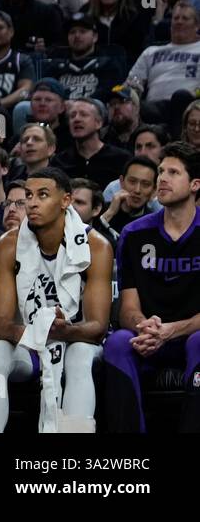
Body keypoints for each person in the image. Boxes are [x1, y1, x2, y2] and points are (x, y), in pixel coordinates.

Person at [0, 168, 113, 432]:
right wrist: (39, 331)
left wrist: (66, 330)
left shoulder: (96, 246)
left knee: (79, 356)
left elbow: (97, 327)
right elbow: (0, 325)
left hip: (78, 341)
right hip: (29, 342)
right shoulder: (8, 245)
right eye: (28, 195)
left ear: (65, 201)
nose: (33, 202)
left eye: (43, 195)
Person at [104, 142, 200, 432]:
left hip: (192, 336)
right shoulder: (134, 234)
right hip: (149, 338)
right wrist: (144, 327)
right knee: (119, 341)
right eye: (161, 171)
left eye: (173, 172)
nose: (162, 179)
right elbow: (128, 308)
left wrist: (172, 330)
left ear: (195, 184)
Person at [128, 3, 200, 131]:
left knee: (180, 97)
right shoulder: (151, 52)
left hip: (190, 104)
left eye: (185, 18)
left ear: (197, 26)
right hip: (153, 108)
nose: (179, 22)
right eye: (176, 18)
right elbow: (133, 83)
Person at [54, 98, 132, 188]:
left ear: (98, 123)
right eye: (72, 116)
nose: (76, 119)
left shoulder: (121, 159)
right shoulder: (60, 162)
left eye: (83, 115)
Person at [104, 156, 162, 234]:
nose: (137, 190)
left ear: (154, 189)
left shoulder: (154, 224)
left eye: (145, 184)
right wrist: (109, 213)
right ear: (122, 182)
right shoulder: (101, 211)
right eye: (132, 181)